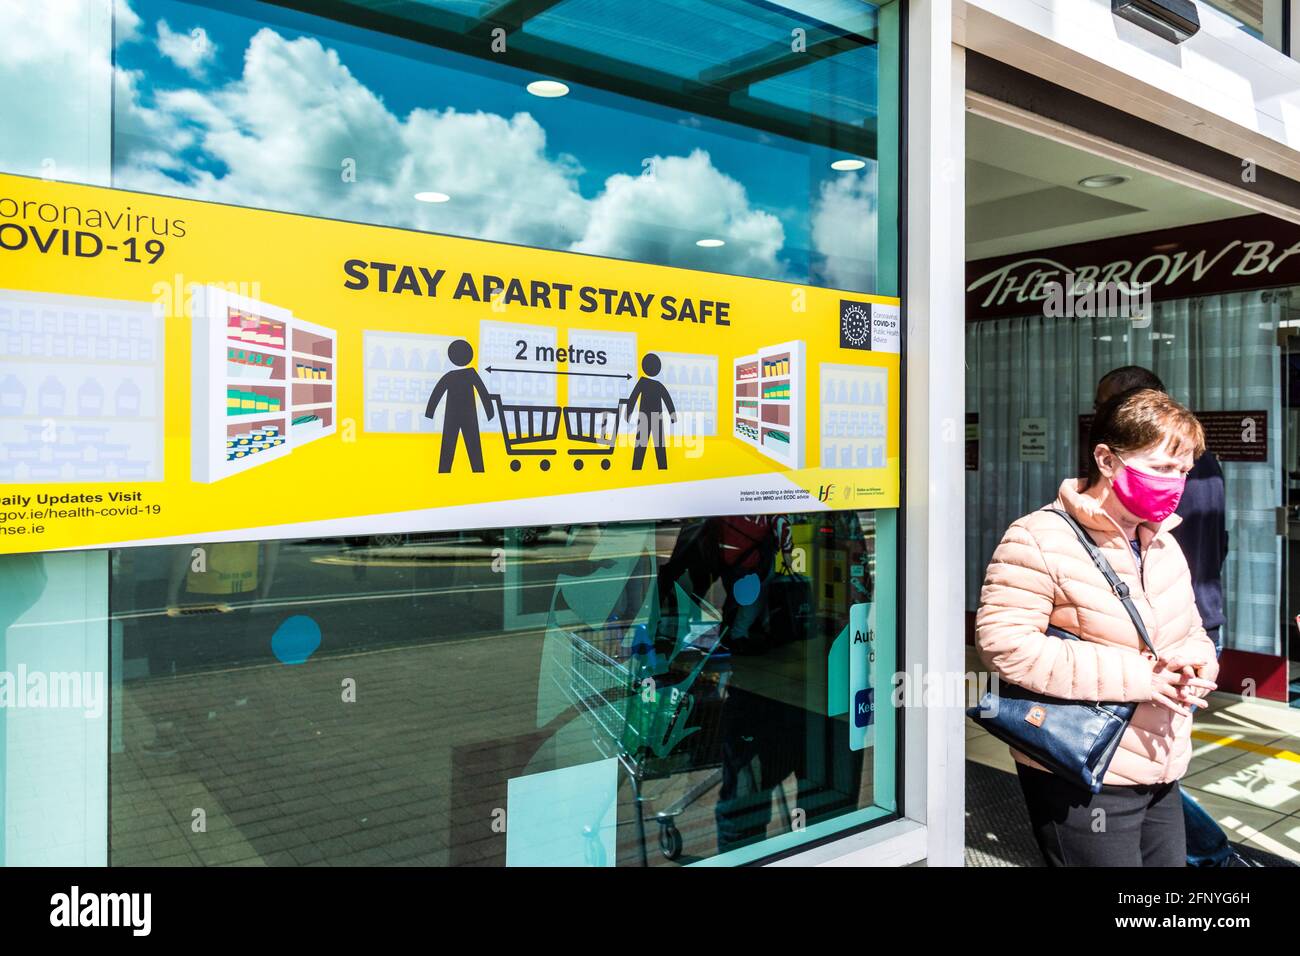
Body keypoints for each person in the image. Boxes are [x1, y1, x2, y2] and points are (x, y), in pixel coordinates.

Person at [976, 387, 1219, 866]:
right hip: (1081, 764)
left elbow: (1190, 629)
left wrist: (1197, 663)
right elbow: (1004, 646)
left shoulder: (1162, 540)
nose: (1175, 484)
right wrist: (1140, 678)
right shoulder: (1037, 537)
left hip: (1160, 761)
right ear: (1107, 460)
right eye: (1161, 468)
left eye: (1184, 471)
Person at [1094, 366, 1245, 866]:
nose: (1101, 418)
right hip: (1203, 617)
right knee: (1157, 756)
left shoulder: (1155, 472)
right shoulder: (1204, 461)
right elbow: (1219, 540)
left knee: (1150, 761)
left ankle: (1207, 851)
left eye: (1106, 406)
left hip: (1170, 631)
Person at [425, 339, 494, 473]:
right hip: (467, 415)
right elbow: (483, 392)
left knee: (452, 443)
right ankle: (476, 469)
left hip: (455, 415)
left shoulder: (450, 376)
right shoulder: (470, 374)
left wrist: (430, 413)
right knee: (469, 443)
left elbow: (436, 393)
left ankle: (447, 470)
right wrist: (489, 413)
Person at [625, 353, 676, 471]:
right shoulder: (658, 385)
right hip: (655, 417)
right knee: (657, 445)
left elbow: (633, 397)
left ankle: (637, 467)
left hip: (645, 417)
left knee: (644, 444)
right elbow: (667, 399)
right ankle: (659, 467)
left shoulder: (643, 382)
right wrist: (673, 417)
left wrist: (628, 414)